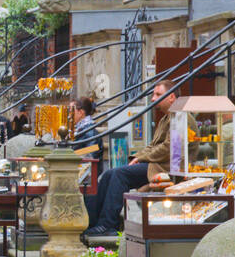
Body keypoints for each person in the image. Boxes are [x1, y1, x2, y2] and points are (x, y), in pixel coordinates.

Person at [85, 82, 176, 236]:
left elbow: (169, 148)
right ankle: (92, 222)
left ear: (172, 97)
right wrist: (138, 157)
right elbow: (152, 146)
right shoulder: (165, 119)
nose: (153, 99)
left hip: (164, 167)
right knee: (108, 174)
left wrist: (143, 158)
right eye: (153, 94)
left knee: (120, 175)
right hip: (154, 164)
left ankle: (108, 225)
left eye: (158, 95)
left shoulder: (180, 117)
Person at [70, 96, 102, 160]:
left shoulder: (90, 133)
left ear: (81, 113)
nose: (69, 115)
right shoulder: (81, 129)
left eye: (71, 111)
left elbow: (89, 158)